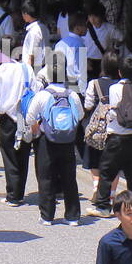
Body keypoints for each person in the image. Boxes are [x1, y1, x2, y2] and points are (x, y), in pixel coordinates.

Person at [86, 56, 132, 217]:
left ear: (119, 72)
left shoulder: (114, 89)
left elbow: (113, 113)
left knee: (107, 172)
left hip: (116, 137)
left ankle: (103, 207)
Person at [26, 67, 84, 225]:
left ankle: (47, 216)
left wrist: (37, 126)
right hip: (68, 141)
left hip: (47, 140)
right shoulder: (72, 94)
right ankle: (72, 216)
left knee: (46, 177)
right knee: (69, 178)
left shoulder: (43, 95)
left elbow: (30, 117)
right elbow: (80, 115)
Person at [0, 59, 35, 207]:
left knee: (9, 156)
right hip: (25, 115)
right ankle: (19, 193)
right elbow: (35, 90)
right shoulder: (28, 69)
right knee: (23, 155)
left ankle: (13, 195)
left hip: (6, 118)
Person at [21, 0, 48, 72]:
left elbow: (31, 55)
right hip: (43, 66)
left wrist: (28, 75)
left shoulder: (34, 31)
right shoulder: (44, 28)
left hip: (34, 69)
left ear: (26, 14)